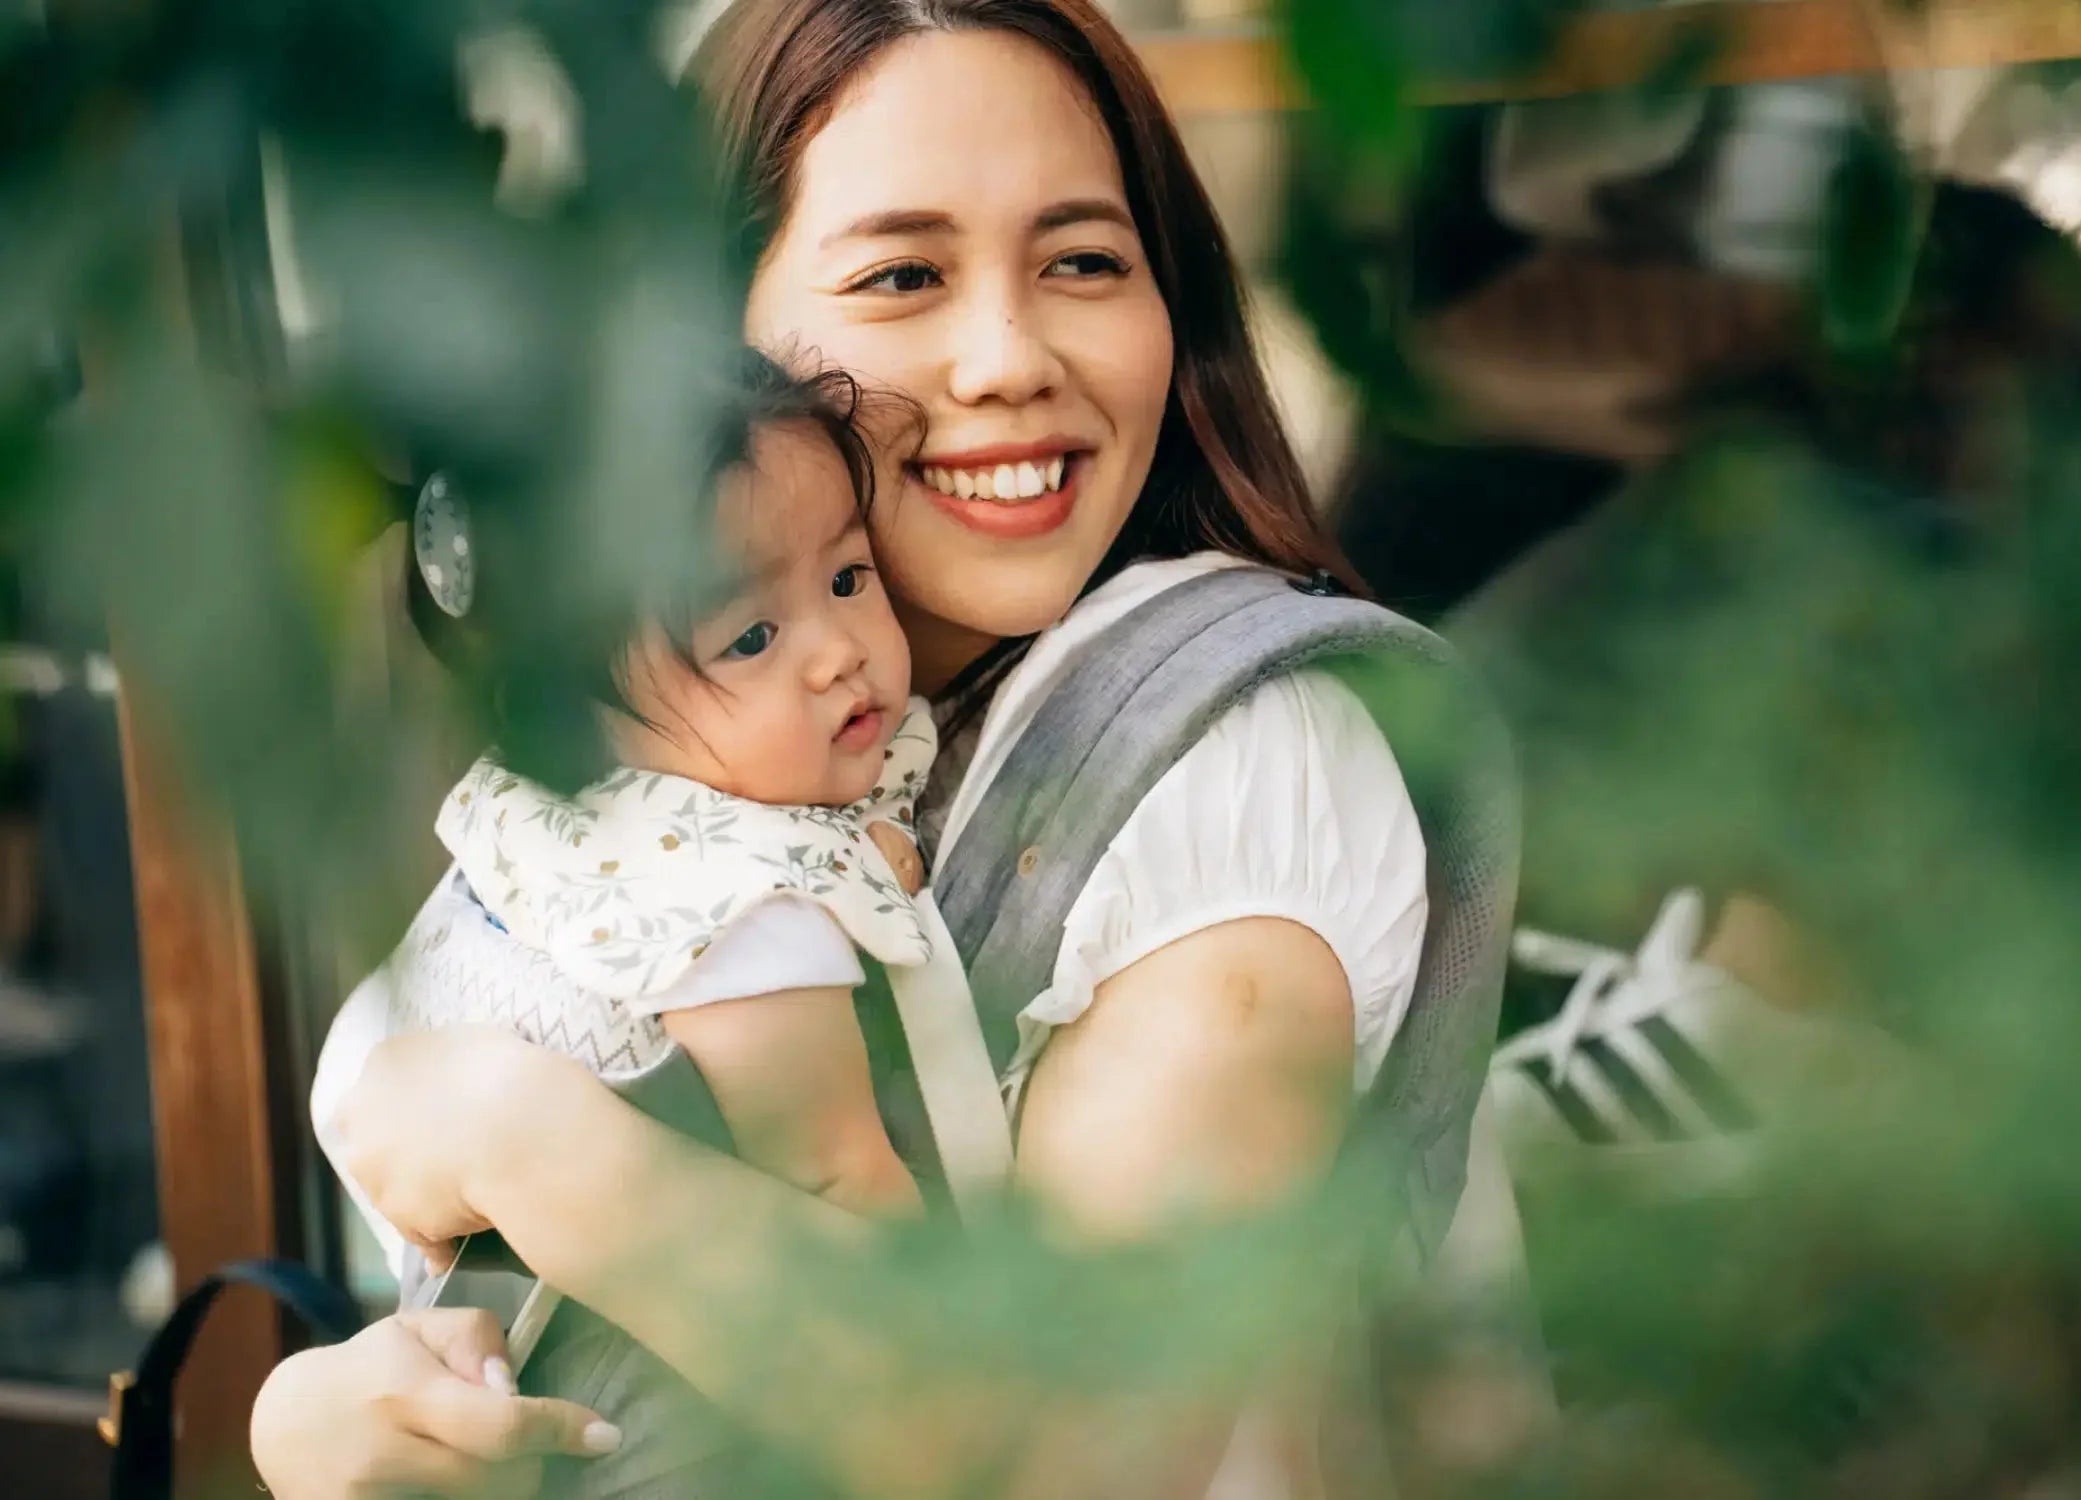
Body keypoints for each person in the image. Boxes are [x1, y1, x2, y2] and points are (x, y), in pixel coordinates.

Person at [251, 2, 1472, 1496]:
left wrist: (522, 1140)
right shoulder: (706, 765)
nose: (1008, 358)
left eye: (1084, 261)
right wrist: (319, 1423)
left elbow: (1076, 1461)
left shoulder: (1235, 754)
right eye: (903, 274)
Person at [321, 356, 941, 1300]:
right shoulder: (733, 917)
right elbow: (834, 1178)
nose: (839, 651)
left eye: (848, 577)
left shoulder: (626, 797)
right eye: (751, 637)